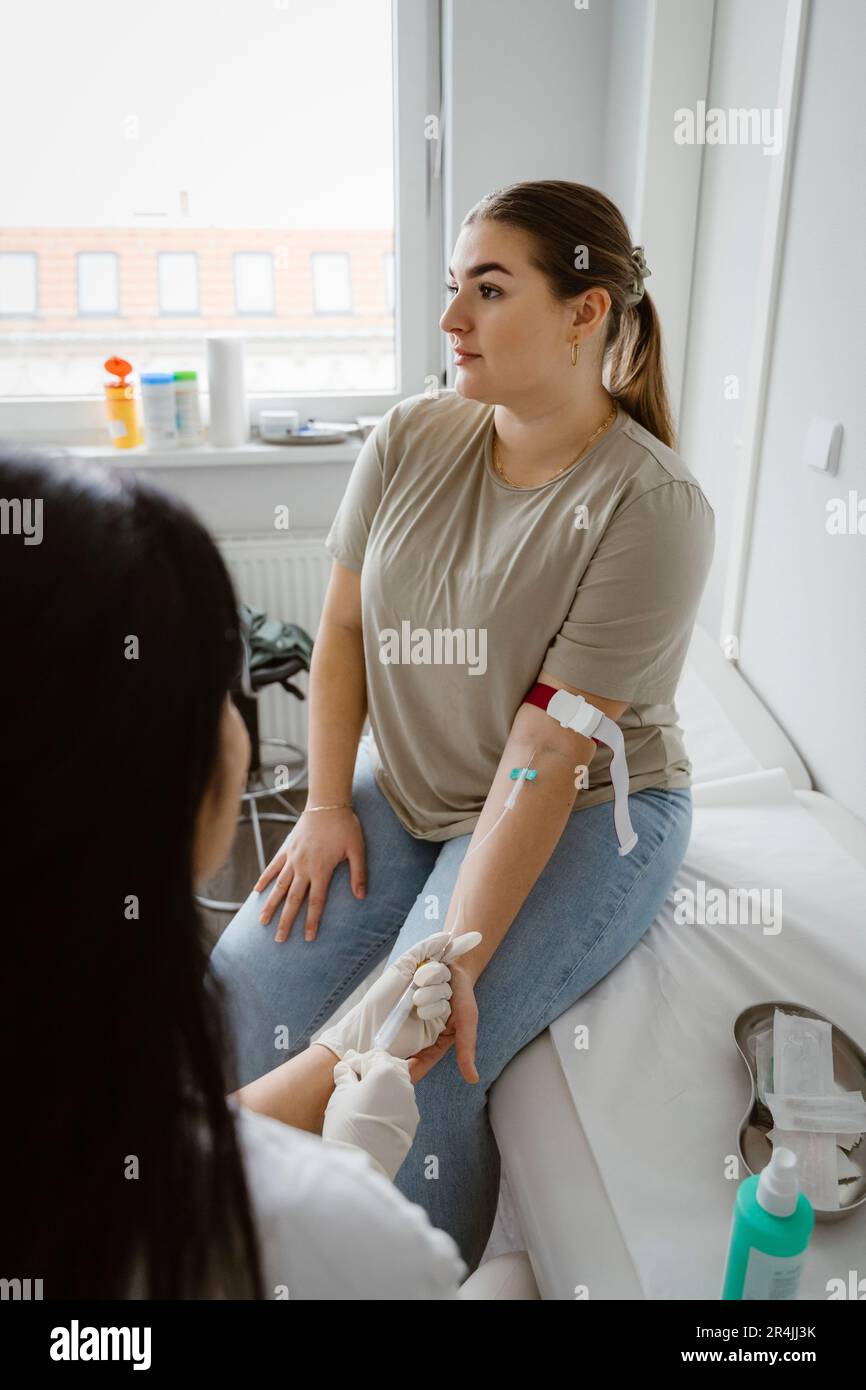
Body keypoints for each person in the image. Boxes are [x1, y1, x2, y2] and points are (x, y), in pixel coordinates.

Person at [209, 179, 717, 1274]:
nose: (450, 321)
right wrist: (325, 804)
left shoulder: (650, 507)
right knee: (250, 969)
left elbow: (543, 751)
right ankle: (254, 1218)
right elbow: (339, 622)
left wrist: (447, 958)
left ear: (586, 312)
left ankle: (396, 1270)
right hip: (413, 790)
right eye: (453, 289)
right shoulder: (409, 438)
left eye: (488, 291)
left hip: (571, 809)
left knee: (419, 1054)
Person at [0, 448, 469, 1300]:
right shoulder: (334, 1240)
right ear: (177, 783)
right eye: (222, 689)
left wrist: (343, 1046)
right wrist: (344, 1175)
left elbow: (133, 1144)